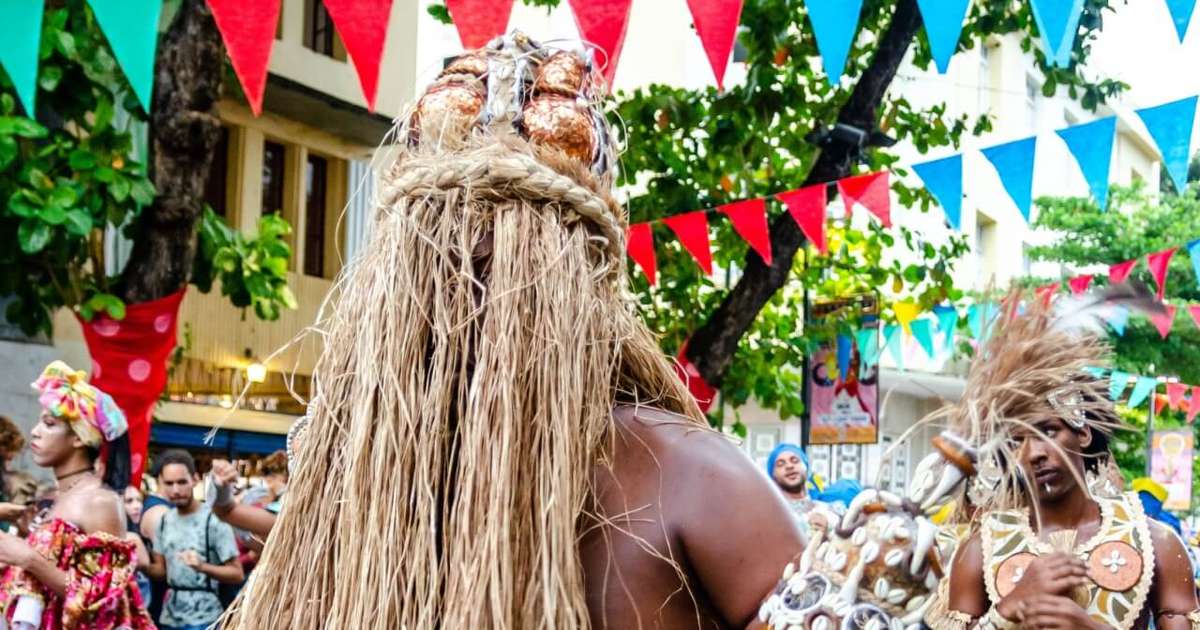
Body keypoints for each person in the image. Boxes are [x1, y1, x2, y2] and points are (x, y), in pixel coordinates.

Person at [223, 34, 805, 628]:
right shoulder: (353, 481)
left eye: (488, 271)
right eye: (431, 268)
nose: (454, 306)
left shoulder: (688, 475)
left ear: (569, 289)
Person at [939, 293, 1200, 629]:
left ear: (1083, 433)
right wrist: (1008, 610)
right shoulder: (979, 550)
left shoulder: (1156, 543)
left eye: (1048, 430)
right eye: (1016, 441)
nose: (1033, 453)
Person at [0, 361, 153, 628]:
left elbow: (105, 600)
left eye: (49, 423)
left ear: (80, 438)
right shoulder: (54, 496)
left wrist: (29, 557)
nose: (35, 432)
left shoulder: (99, 501)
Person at [145, 449, 243, 630]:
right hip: (169, 618)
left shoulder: (214, 520)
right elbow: (161, 571)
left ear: (195, 479)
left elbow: (236, 573)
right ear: (161, 484)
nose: (176, 489)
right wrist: (140, 563)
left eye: (181, 482)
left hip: (205, 618)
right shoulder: (164, 521)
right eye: (169, 483)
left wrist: (202, 567)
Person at [123, 485, 154, 606]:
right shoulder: (129, 538)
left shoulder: (142, 533)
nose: (136, 506)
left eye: (139, 500)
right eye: (129, 501)